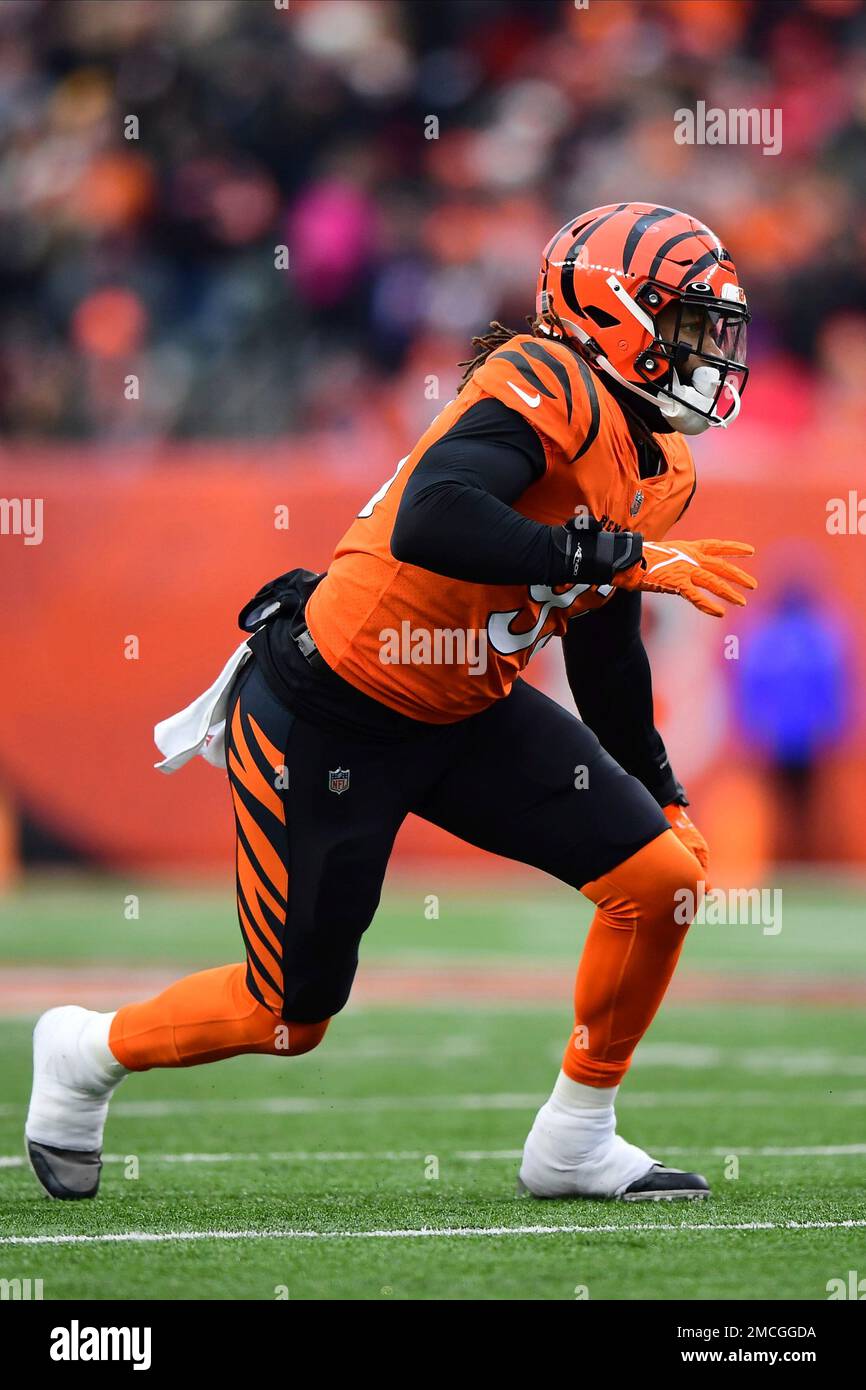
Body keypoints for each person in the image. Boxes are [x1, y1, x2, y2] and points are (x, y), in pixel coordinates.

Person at [26, 202, 756, 1203]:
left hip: (464, 708)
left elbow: (600, 635)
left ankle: (575, 1138)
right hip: (335, 707)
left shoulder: (659, 466)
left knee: (659, 879)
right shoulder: (541, 379)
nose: (704, 353)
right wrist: (618, 554)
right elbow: (435, 517)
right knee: (286, 1016)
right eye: (681, 325)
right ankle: (83, 1049)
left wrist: (659, 782)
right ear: (610, 314)